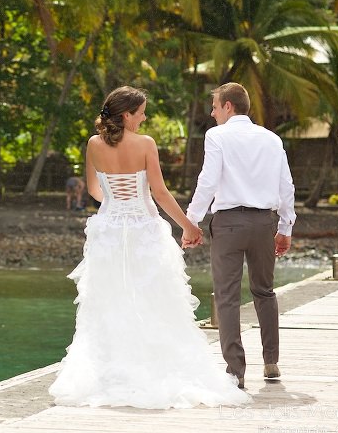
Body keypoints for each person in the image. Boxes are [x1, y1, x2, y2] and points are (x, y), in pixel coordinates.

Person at [49, 86, 251, 409]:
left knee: (111, 300)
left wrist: (116, 198)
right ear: (126, 114)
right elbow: (159, 192)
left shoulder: (93, 144)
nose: (144, 118)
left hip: (108, 231)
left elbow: (94, 190)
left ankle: (112, 373)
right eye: (141, 113)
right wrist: (188, 226)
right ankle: (153, 368)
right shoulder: (145, 144)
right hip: (143, 229)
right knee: (153, 299)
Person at [186, 82, 296, 389]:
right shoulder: (272, 139)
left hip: (229, 224)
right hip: (263, 223)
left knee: (227, 296)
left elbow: (208, 181)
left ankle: (236, 371)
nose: (212, 113)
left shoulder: (217, 136)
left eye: (215, 107)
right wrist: (285, 228)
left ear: (228, 106)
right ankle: (271, 362)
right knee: (265, 291)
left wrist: (191, 221)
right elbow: (286, 185)